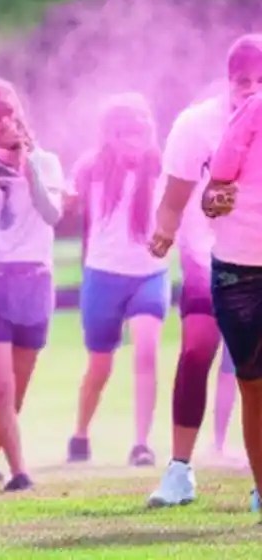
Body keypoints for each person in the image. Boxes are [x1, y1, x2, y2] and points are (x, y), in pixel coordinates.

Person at [147, 34, 262, 508]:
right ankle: (179, 470)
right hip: (210, 258)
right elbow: (174, 197)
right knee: (198, 349)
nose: (251, 90)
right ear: (227, 80)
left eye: (260, 81)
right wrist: (165, 232)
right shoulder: (198, 125)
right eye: (242, 81)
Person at [0, 78, 62, 491]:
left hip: (35, 281)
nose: (6, 125)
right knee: (1, 387)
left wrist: (27, 170)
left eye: (10, 115)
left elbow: (52, 214)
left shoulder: (47, 161)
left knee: (17, 389)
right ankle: (20, 472)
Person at [69, 94, 169, 467]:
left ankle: (141, 442)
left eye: (139, 133)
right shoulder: (92, 170)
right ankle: (80, 432)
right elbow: (65, 200)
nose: (133, 142)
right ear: (109, 135)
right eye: (124, 134)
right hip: (103, 275)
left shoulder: (161, 169)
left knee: (146, 352)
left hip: (149, 274)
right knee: (100, 365)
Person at [197, 33, 262, 514]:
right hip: (238, 274)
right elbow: (212, 193)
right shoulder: (231, 121)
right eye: (247, 81)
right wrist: (215, 201)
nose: (256, 90)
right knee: (254, 386)